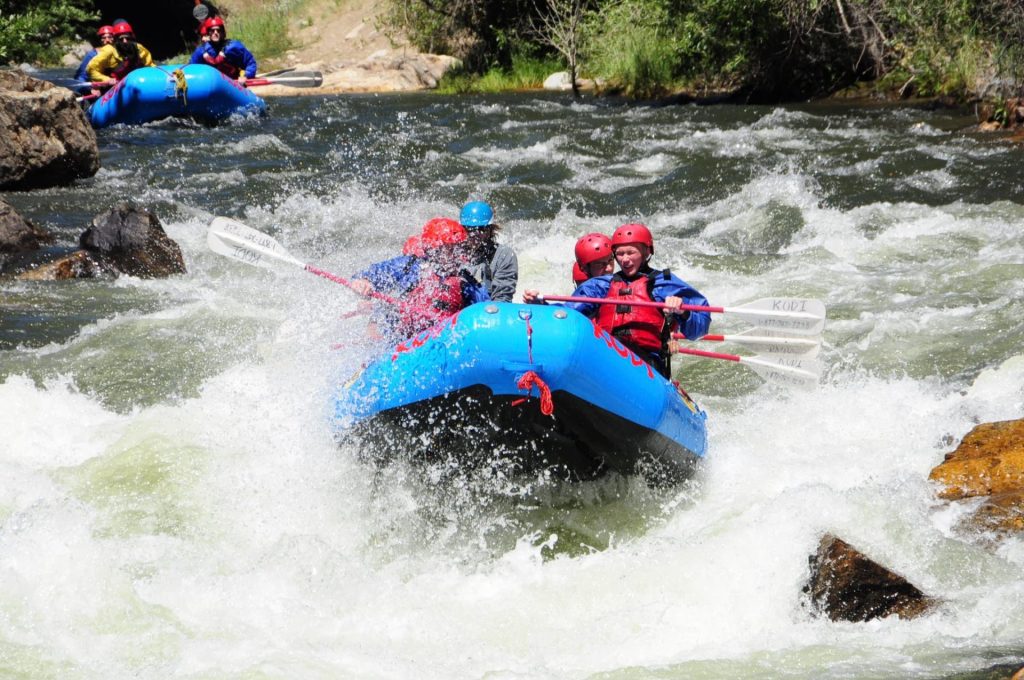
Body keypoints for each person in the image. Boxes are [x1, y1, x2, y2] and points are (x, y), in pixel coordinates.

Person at [594, 223, 710, 377]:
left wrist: (683, 312)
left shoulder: (664, 284)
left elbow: (700, 328)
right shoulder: (602, 285)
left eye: (631, 252)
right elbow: (569, 310)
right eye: (620, 254)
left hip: (647, 365)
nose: (625, 259)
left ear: (647, 252)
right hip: (606, 355)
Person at [380, 218, 490, 341]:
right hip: (403, 337)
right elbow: (376, 273)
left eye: (459, 248)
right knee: (380, 319)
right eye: (451, 249)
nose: (458, 255)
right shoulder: (412, 267)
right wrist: (365, 282)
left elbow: (485, 304)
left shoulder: (464, 280)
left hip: (440, 337)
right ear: (434, 251)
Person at [523, 232, 614, 309]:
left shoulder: (595, 287)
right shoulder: (592, 288)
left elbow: (568, 311)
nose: (609, 268)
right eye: (599, 264)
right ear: (584, 268)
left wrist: (542, 305)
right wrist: (540, 304)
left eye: (610, 260)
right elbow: (569, 310)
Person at [459, 201, 518, 302]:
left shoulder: (504, 255)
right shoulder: (453, 252)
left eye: (481, 229)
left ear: (490, 229)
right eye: (469, 229)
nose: (474, 234)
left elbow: (502, 300)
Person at [190, 16, 258, 83]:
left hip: (235, 83)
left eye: (218, 30)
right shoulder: (201, 52)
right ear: (208, 33)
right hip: (213, 84)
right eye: (212, 31)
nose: (215, 33)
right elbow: (191, 69)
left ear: (223, 33)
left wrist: (246, 75)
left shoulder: (234, 47)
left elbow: (250, 62)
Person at [86, 22, 154, 87]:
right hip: (115, 86)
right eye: (121, 39)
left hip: (136, 82)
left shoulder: (139, 48)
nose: (125, 41)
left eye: (127, 38)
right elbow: (91, 69)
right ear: (116, 40)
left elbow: (150, 65)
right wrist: (107, 79)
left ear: (132, 38)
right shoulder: (108, 51)